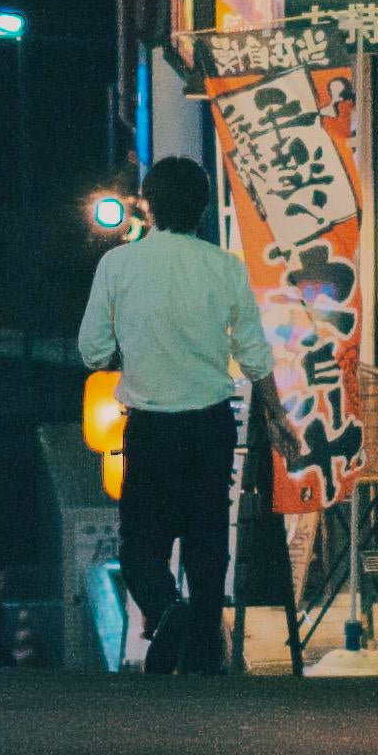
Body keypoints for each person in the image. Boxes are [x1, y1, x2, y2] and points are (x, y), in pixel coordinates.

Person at [76, 155, 302, 675]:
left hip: (151, 428)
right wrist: (278, 417)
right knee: (206, 544)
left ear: (146, 206)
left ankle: (165, 613)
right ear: (201, 210)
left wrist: (130, 345)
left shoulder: (118, 266)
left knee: (140, 546)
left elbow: (92, 351)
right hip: (210, 425)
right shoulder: (225, 267)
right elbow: (254, 354)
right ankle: (202, 653)